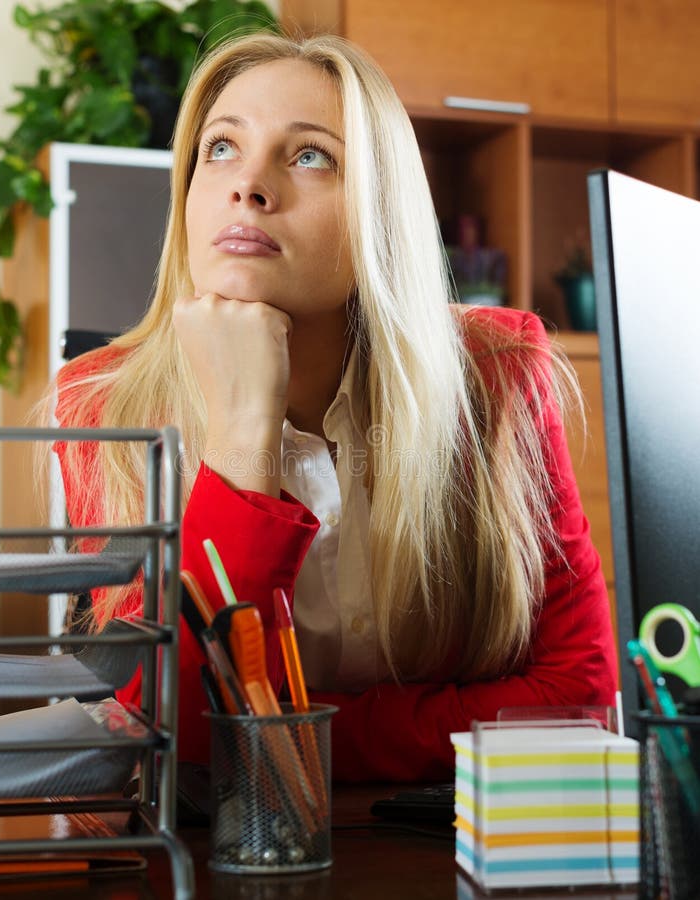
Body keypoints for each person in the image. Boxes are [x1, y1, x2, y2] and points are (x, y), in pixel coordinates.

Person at [51, 31, 617, 782]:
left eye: (309, 155)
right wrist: (244, 428)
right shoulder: (102, 400)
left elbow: (577, 700)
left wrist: (292, 742)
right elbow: (173, 737)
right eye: (221, 148)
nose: (247, 186)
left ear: (383, 214)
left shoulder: (498, 370)